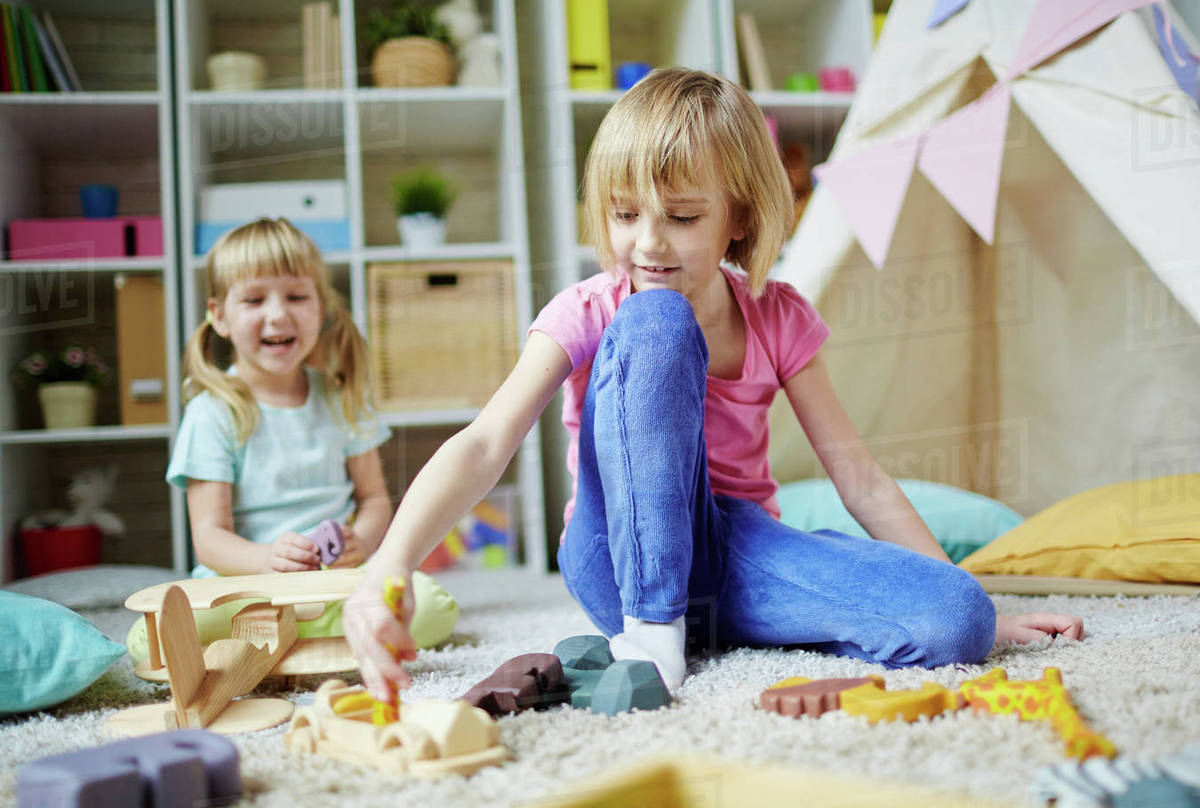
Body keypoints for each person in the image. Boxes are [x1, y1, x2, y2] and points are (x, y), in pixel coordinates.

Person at [344, 68, 1082, 701]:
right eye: (625, 214)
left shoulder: (779, 318)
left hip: (732, 555)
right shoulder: (590, 309)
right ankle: (652, 632)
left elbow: (861, 480)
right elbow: (483, 443)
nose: (647, 243)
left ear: (739, 219)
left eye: (683, 217)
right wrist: (388, 567)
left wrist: (984, 608)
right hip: (616, 556)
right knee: (659, 323)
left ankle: (709, 631)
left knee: (958, 621)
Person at [168, 217, 392, 578]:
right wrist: (265, 559)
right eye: (254, 299)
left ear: (320, 309)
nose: (277, 314)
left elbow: (374, 499)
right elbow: (209, 537)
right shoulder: (210, 412)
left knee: (422, 600)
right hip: (248, 581)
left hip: (331, 576)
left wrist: (362, 542)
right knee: (191, 620)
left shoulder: (342, 398)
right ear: (220, 317)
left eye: (297, 297)